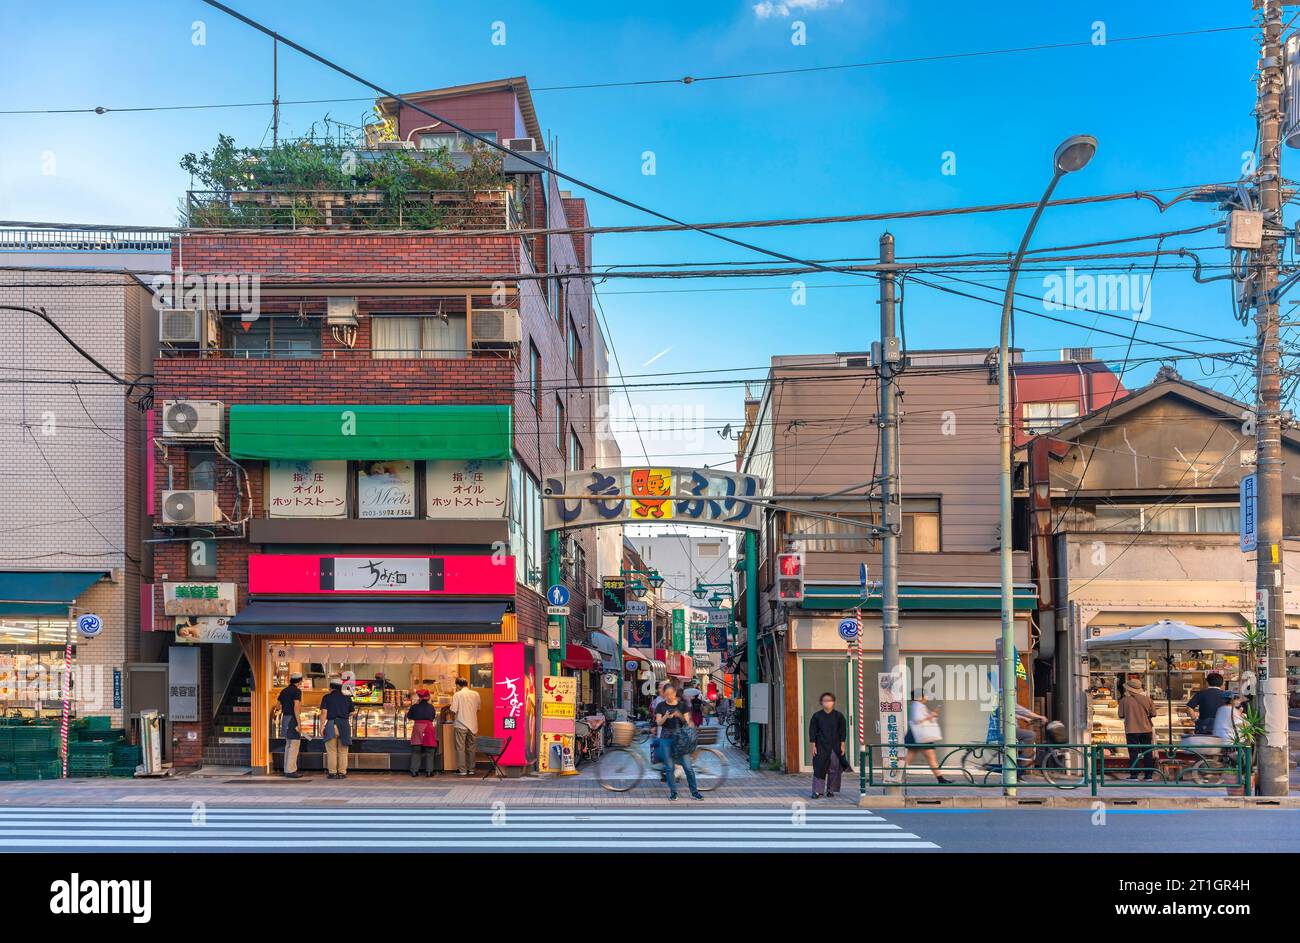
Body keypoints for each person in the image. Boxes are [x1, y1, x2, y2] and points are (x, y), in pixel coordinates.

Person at [654, 683, 703, 801]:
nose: (669, 696)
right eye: (666, 695)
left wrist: (679, 715)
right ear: (664, 695)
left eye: (671, 694)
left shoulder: (682, 705)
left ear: (675, 693)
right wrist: (666, 716)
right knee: (669, 768)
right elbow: (659, 722)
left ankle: (694, 792)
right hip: (666, 738)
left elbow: (687, 722)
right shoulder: (660, 706)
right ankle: (673, 792)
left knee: (687, 767)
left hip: (681, 739)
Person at [808, 691, 851, 798]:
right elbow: (812, 730)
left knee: (835, 768)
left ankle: (831, 790)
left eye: (830, 701)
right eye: (825, 701)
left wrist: (842, 745)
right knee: (819, 768)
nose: (828, 703)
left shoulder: (839, 716)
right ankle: (817, 791)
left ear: (834, 702)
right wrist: (813, 745)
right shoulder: (817, 716)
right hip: (821, 745)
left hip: (835, 746)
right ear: (821, 702)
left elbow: (842, 731)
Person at [904, 692, 952, 783]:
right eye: (924, 695)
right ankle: (941, 779)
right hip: (921, 736)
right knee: (930, 758)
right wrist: (932, 715)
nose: (926, 697)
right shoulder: (917, 705)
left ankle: (895, 776)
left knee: (909, 758)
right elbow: (917, 719)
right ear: (919, 697)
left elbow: (923, 719)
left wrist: (933, 714)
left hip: (916, 735)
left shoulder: (917, 705)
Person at [1117, 678, 1158, 781]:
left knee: (1133, 752)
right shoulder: (1148, 699)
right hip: (1146, 729)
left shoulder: (1124, 701)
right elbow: (1154, 714)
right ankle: (1148, 775)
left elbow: (1121, 715)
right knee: (1147, 752)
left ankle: (1134, 775)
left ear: (1129, 689)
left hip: (1131, 730)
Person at [321, 678, 354, 780]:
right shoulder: (347, 697)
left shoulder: (326, 697)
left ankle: (332, 773)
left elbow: (324, 712)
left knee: (332, 751)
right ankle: (342, 773)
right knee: (343, 751)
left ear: (331, 687)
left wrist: (322, 726)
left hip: (331, 724)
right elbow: (352, 712)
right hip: (344, 725)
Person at [449, 677, 481, 777]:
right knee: (471, 748)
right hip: (473, 725)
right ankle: (471, 769)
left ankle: (462, 770)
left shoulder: (457, 695)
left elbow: (453, 710)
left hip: (460, 724)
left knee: (460, 748)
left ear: (458, 685)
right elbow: (478, 709)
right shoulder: (476, 694)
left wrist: (451, 718)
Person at [277, 672, 304, 779]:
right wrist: (299, 722)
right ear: (299, 681)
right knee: (294, 745)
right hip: (292, 719)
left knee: (288, 745)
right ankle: (291, 770)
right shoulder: (297, 691)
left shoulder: (284, 690)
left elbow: (277, 706)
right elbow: (296, 707)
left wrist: (285, 706)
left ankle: (286, 769)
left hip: (285, 718)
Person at [407, 689, 438, 777]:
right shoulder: (431, 707)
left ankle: (414, 771)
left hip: (417, 727)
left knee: (416, 750)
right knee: (429, 751)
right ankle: (429, 771)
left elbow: (409, 716)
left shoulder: (414, 706)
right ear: (428, 697)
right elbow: (433, 717)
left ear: (419, 697)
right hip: (428, 727)